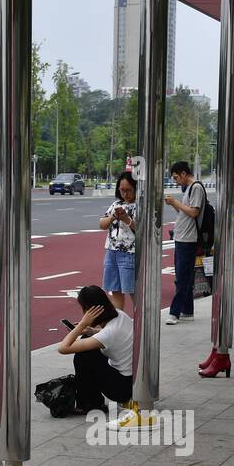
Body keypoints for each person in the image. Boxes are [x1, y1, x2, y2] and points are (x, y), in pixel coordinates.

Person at [57, 285, 135, 415]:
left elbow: (63, 348)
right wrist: (92, 331)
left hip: (122, 389)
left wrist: (82, 324)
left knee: (83, 355)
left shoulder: (107, 334)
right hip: (132, 381)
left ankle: (91, 404)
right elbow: (112, 335)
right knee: (87, 338)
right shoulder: (121, 315)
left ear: (87, 310)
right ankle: (91, 401)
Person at [164, 160, 205, 326]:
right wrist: (175, 204)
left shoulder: (196, 187)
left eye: (176, 177)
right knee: (184, 277)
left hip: (189, 240)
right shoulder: (188, 188)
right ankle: (187, 311)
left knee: (182, 278)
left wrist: (175, 202)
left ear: (183, 173)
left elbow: (194, 212)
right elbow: (185, 213)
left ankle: (174, 313)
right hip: (182, 238)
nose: (176, 181)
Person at [99, 171, 137, 313]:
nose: (125, 194)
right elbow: (102, 224)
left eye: (129, 190)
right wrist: (114, 216)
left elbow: (143, 230)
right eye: (122, 190)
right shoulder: (116, 204)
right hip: (112, 251)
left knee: (132, 289)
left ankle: (140, 321)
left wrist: (127, 219)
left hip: (129, 252)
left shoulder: (140, 205)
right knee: (115, 288)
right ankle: (118, 322)